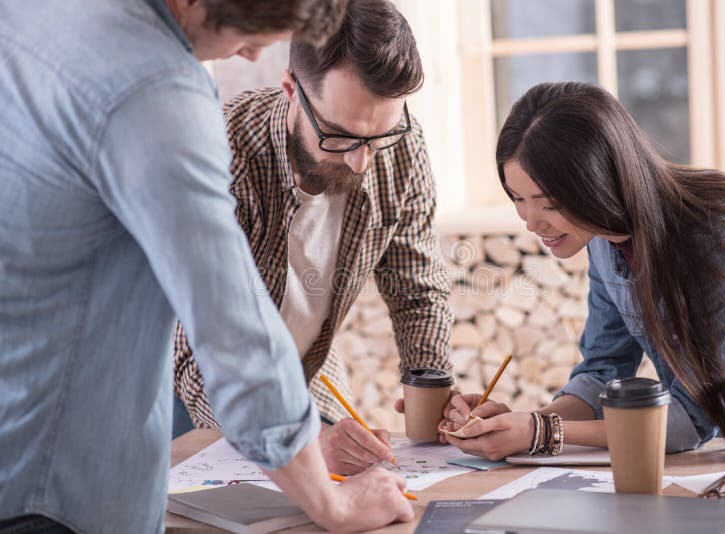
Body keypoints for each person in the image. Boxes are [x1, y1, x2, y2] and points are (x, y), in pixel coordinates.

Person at [0, 1, 414, 532]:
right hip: (53, 494)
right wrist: (333, 504)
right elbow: (231, 327)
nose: (253, 52)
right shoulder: (158, 93)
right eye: (248, 33)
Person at [441, 81, 725, 461]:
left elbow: (694, 420)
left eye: (548, 204)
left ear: (600, 182)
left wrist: (541, 433)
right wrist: (523, 426)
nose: (531, 222)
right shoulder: (600, 237)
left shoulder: (717, 235)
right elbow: (602, 371)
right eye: (518, 199)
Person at [172, 0, 454, 476]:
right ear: (290, 90)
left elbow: (417, 288)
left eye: (379, 137)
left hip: (303, 370)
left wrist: (434, 398)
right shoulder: (221, 153)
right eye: (341, 138)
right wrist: (296, 442)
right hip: (183, 385)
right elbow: (200, 347)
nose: (362, 162)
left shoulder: (399, 147)